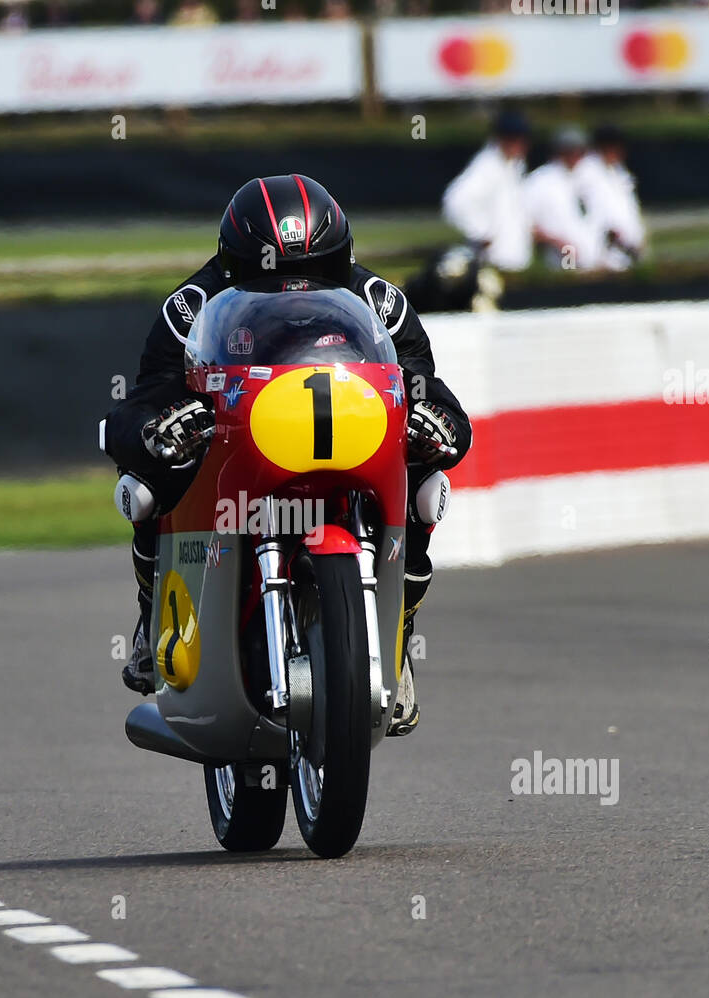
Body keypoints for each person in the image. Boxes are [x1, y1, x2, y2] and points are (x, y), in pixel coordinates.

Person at [104, 175, 472, 737]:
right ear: (233, 266)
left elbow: (422, 381)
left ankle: (396, 638)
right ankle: (153, 613)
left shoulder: (381, 304)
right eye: (270, 279)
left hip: (347, 435)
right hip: (241, 442)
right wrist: (158, 427)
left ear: (340, 260)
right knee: (147, 483)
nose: (295, 292)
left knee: (427, 485)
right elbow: (146, 397)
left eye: (315, 276)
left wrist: (439, 422)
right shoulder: (192, 308)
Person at [441, 110, 533, 273]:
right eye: (514, 139)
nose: (520, 145)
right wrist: (482, 233)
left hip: (514, 263)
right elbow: (455, 201)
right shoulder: (487, 166)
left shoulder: (515, 165)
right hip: (493, 264)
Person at [524, 125, 603, 271]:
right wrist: (558, 242)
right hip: (563, 263)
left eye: (580, 151)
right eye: (570, 151)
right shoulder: (540, 181)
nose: (575, 156)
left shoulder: (587, 177)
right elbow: (526, 223)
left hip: (594, 264)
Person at [573, 124, 646, 271]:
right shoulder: (585, 171)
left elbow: (629, 211)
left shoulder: (619, 171)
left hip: (627, 255)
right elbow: (585, 214)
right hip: (601, 256)